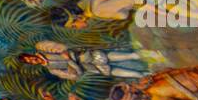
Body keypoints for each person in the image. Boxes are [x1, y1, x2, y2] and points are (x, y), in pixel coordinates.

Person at [18, 40, 148, 81]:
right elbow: (76, 75)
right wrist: (70, 62)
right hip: (88, 68)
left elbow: (63, 48)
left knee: (104, 57)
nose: (33, 60)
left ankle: (137, 55)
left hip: (84, 55)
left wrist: (70, 60)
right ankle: (141, 75)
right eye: (30, 62)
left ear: (31, 54)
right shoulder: (52, 70)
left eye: (30, 57)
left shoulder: (44, 49)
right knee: (110, 71)